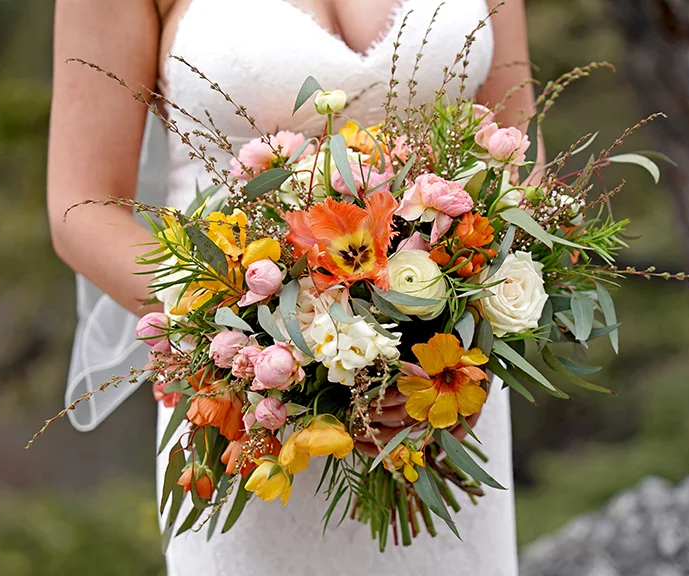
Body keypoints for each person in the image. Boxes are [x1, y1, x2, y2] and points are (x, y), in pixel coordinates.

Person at [47, 1, 536, 574]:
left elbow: (516, 152)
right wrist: (255, 341)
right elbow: (81, 210)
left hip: (442, 397)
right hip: (258, 416)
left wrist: (467, 334)